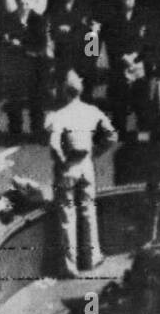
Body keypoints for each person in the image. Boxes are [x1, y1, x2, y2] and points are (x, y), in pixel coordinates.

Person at [46, 70, 118, 277]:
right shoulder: (92, 111)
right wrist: (96, 152)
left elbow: (54, 145)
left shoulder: (59, 115)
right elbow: (111, 136)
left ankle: (70, 266)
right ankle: (92, 257)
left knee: (67, 215)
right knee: (88, 210)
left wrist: (62, 161)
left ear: (64, 91)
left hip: (68, 167)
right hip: (86, 164)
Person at [0, 0, 53, 136]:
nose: (24, 6)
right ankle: (15, 130)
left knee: (37, 99)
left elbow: (40, 43)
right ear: (16, 2)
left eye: (27, 3)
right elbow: (3, 40)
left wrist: (20, 44)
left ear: (32, 2)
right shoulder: (9, 19)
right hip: (15, 66)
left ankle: (37, 130)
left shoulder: (39, 20)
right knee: (14, 99)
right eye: (21, 3)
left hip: (35, 65)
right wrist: (9, 41)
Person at [102, 0, 152, 141]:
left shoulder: (143, 16)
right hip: (119, 65)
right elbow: (104, 41)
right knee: (119, 103)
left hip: (138, 65)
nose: (127, 2)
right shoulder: (112, 18)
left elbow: (149, 40)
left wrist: (137, 57)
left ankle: (144, 137)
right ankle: (119, 135)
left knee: (142, 102)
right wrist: (123, 57)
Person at [46, 0, 103, 94]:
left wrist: (90, 61)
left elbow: (93, 31)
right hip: (65, 55)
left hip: (84, 53)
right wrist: (58, 30)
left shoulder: (85, 5)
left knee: (86, 93)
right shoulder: (56, 6)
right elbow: (52, 30)